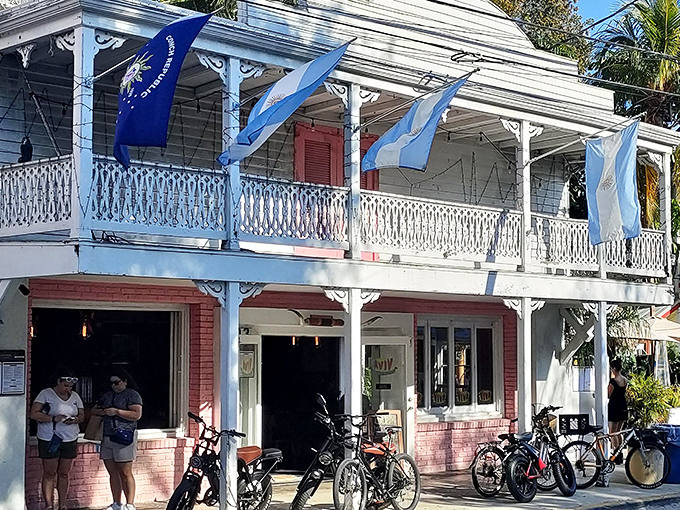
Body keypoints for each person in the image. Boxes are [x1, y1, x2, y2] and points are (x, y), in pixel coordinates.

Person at [29, 367, 85, 510]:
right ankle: (48, 505)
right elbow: (34, 414)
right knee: (49, 472)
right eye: (65, 385)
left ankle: (62, 504)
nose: (68, 389)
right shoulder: (46, 394)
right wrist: (53, 418)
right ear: (58, 381)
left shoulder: (75, 397)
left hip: (70, 437)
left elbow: (82, 415)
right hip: (49, 437)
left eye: (70, 386)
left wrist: (76, 419)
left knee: (64, 473)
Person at [93, 368, 143, 510]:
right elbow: (94, 410)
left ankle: (130, 504)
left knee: (125, 472)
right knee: (112, 472)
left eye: (117, 382)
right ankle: (116, 503)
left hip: (124, 435)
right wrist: (103, 411)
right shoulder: (108, 395)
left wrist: (117, 412)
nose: (114, 385)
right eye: (111, 383)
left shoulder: (132, 395)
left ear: (125, 382)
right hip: (107, 436)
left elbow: (136, 414)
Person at [608, 358, 628, 464]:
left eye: (612, 369)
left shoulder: (613, 381)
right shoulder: (625, 380)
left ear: (614, 369)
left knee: (612, 432)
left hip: (614, 406)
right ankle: (620, 451)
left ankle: (615, 452)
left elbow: (609, 394)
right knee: (619, 431)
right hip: (623, 405)